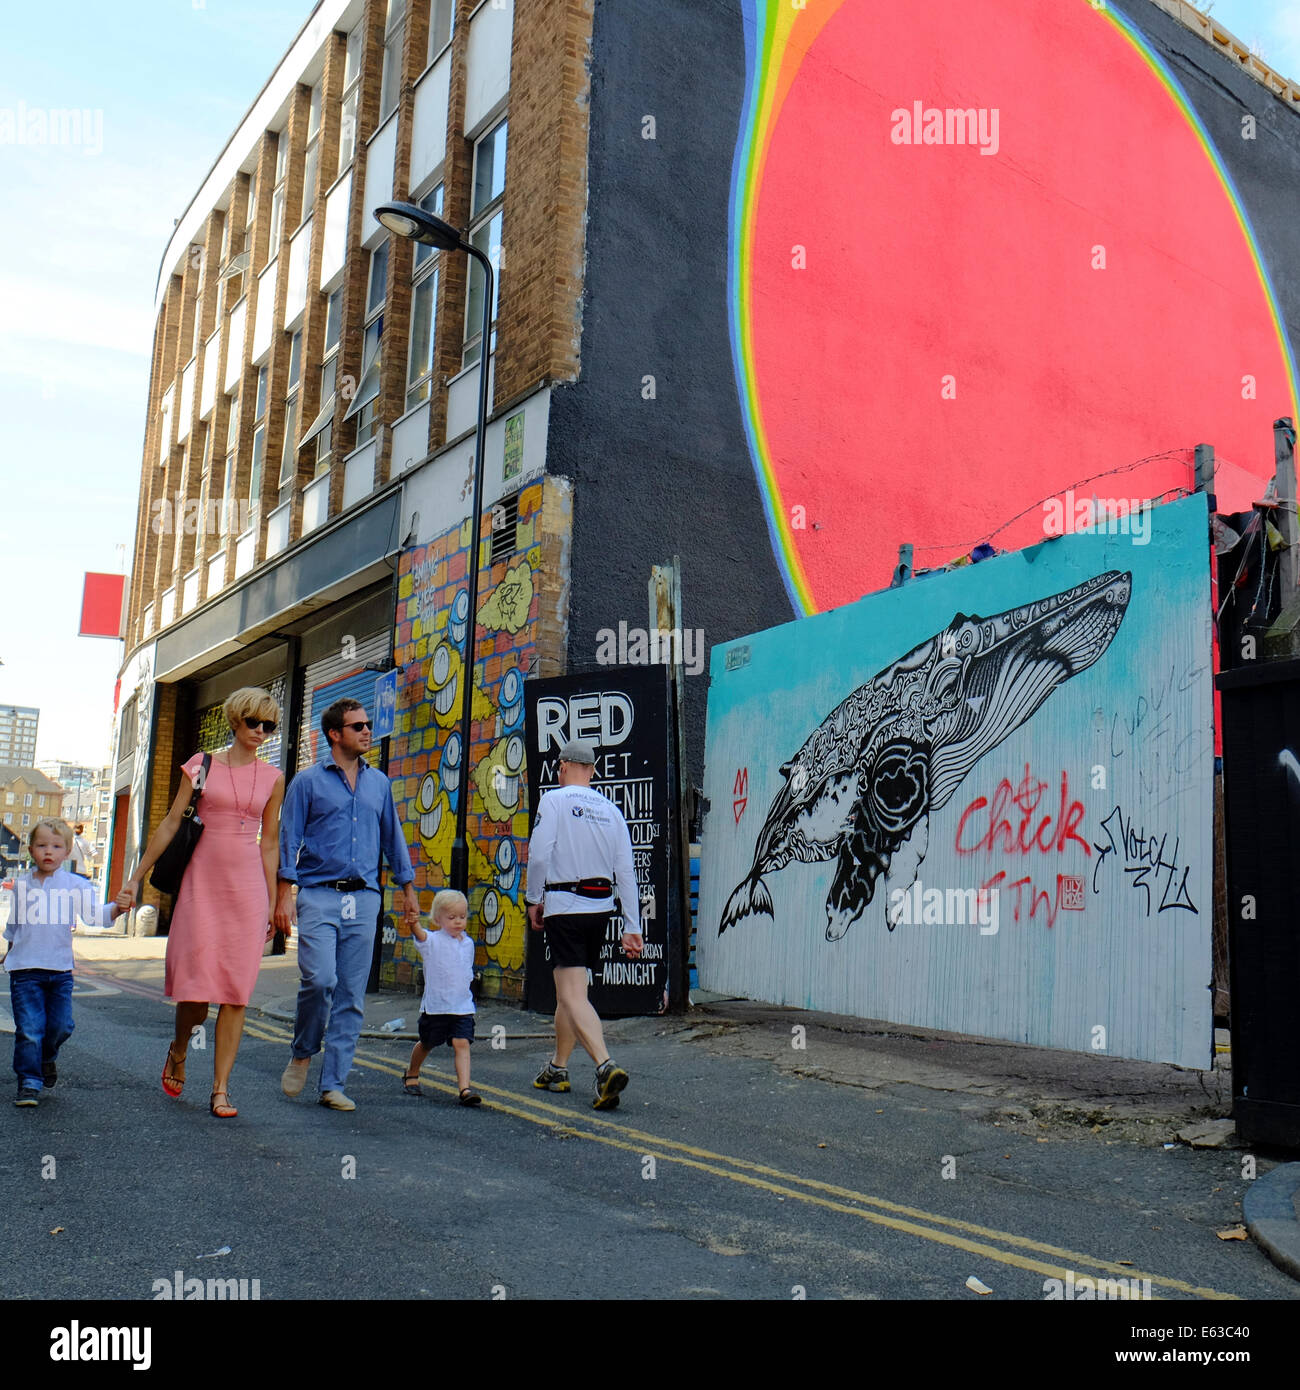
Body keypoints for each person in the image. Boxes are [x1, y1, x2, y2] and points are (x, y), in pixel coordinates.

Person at [122, 687, 286, 1119]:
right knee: (194, 991)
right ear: (236, 720)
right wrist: (134, 880)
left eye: (269, 726)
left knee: (235, 994)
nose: (262, 732)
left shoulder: (273, 777)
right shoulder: (202, 765)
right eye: (254, 723)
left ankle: (221, 1089)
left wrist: (271, 902)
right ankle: (179, 1048)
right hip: (202, 884)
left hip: (247, 889)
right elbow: (172, 821)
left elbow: (269, 843)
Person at [276, 698, 419, 1111]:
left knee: (352, 995)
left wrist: (407, 889)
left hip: (366, 898)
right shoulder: (307, 782)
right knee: (320, 981)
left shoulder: (379, 784)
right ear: (335, 734)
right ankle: (303, 1051)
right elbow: (289, 838)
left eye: (368, 725)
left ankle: (333, 1083)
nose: (367, 731)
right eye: (358, 726)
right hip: (319, 894)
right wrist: (283, 893)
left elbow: (393, 837)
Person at [525, 738, 644, 1110]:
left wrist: (533, 899)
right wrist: (632, 925)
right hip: (600, 908)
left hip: (565, 905)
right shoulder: (611, 809)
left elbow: (540, 855)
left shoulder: (554, 800)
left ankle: (605, 1066)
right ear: (592, 770)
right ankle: (558, 1068)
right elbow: (626, 871)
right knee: (569, 993)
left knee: (574, 994)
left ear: (561, 767)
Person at [2, 819, 129, 1106]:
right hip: (25, 971)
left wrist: (118, 908)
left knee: (61, 1026)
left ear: (68, 851)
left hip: (59, 971)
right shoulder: (22, 886)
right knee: (30, 1029)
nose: (49, 851)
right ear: (31, 850)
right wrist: (9, 950)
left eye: (57, 846)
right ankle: (29, 1083)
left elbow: (95, 917)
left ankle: (47, 1057)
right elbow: (15, 924)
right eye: (42, 845)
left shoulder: (76, 886)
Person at [403, 889, 481, 1106]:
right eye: (452, 917)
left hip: (462, 1006)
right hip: (436, 1007)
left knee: (462, 1042)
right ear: (438, 919)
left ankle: (464, 1089)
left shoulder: (468, 944)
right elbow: (420, 934)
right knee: (427, 1043)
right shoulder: (433, 941)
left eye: (462, 917)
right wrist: (413, 922)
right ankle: (412, 1073)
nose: (458, 922)